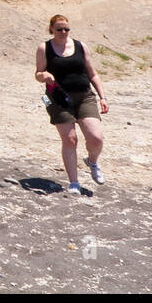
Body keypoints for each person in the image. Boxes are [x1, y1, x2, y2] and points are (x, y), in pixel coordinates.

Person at [34, 14, 109, 194]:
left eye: (66, 29)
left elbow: (93, 74)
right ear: (51, 29)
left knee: (96, 138)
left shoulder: (80, 46)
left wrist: (102, 97)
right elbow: (38, 73)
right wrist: (44, 76)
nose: (63, 32)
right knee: (70, 139)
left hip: (84, 96)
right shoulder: (44, 48)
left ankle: (92, 161)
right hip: (58, 98)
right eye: (59, 29)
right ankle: (74, 182)